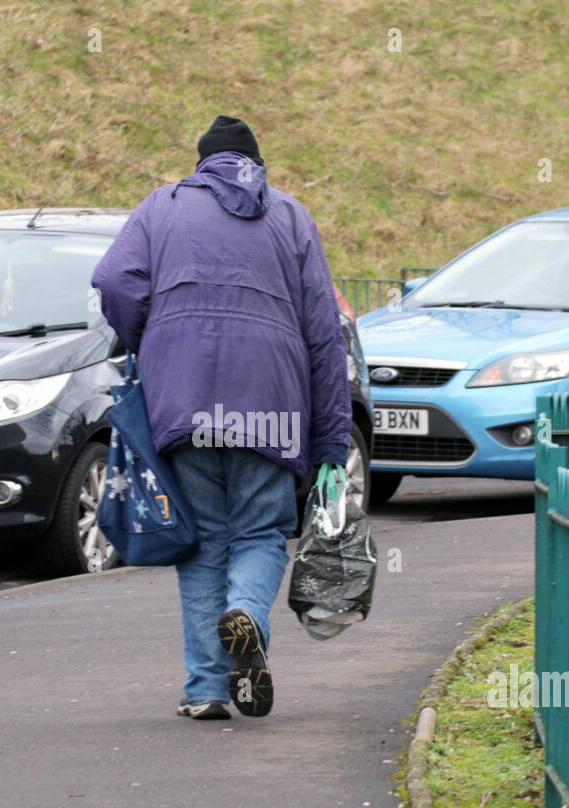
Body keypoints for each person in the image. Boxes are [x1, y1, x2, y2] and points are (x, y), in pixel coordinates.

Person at [91, 115, 351, 720]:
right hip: (274, 405)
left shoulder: (162, 207)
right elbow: (324, 335)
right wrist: (331, 444)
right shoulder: (290, 217)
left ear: (202, 163)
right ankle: (248, 616)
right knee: (259, 533)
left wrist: (152, 338)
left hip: (182, 402)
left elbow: (114, 280)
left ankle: (207, 690)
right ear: (257, 166)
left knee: (203, 542)